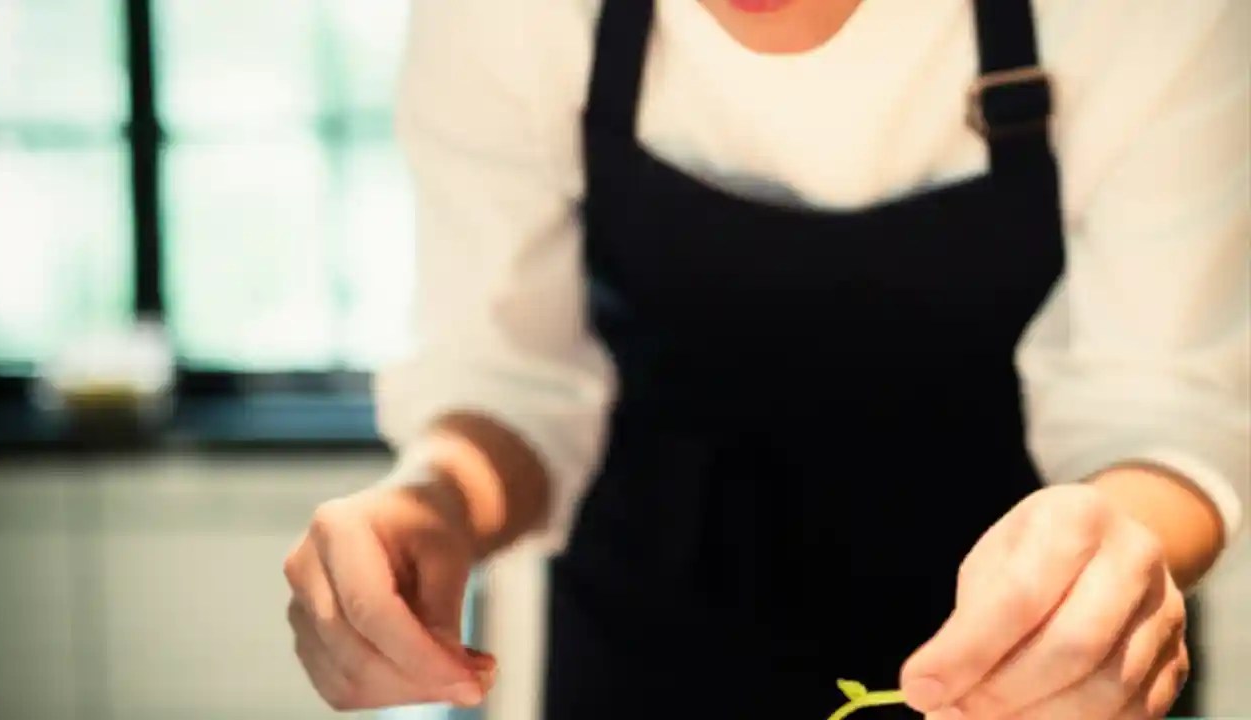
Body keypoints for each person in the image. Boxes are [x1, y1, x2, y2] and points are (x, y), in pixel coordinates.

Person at [282, 0, 1249, 717]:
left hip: (1041, 672)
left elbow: (1169, 408)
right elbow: (511, 379)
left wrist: (1120, 552)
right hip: (642, 640)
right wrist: (437, 506)